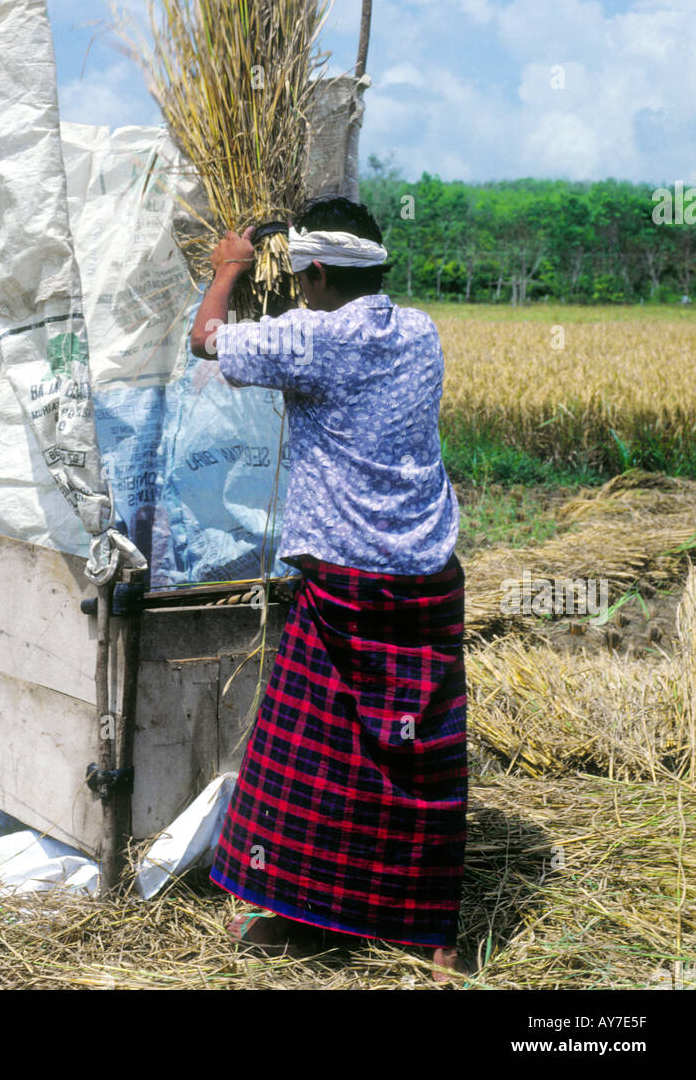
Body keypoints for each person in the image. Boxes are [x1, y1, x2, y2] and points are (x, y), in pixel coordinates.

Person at [190, 196, 467, 982]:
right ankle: (433, 934)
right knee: (421, 763)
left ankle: (312, 912)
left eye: (304, 277)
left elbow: (205, 338)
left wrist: (229, 268)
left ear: (312, 273)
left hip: (346, 587)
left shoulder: (307, 339)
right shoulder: (420, 331)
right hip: (425, 579)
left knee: (314, 758)